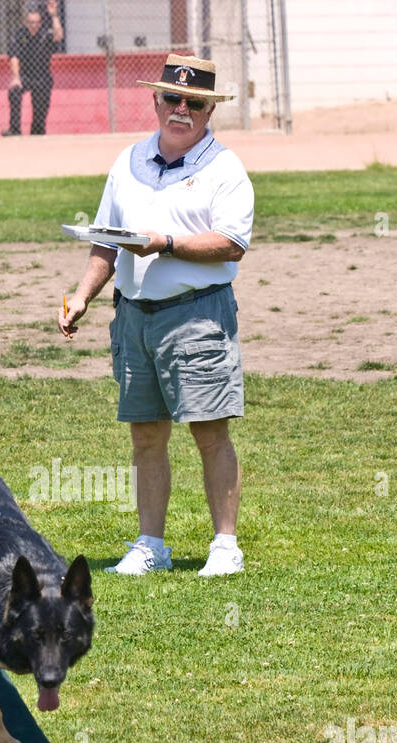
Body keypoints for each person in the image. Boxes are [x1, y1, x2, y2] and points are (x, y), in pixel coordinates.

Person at [58, 54, 252, 578]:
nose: (181, 109)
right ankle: (151, 544)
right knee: (145, 435)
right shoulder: (129, 161)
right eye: (172, 98)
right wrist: (82, 296)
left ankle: (225, 545)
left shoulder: (224, 167)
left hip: (195, 315)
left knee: (210, 432)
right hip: (133, 319)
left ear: (210, 109)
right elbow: (107, 240)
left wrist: (164, 243)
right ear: (156, 100)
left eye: (194, 102)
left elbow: (231, 244)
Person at [3, 1, 62, 137]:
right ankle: (15, 130)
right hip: (26, 74)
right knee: (14, 91)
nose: (33, 25)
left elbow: (58, 36)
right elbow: (14, 56)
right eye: (30, 22)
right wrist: (16, 78)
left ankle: (37, 132)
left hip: (42, 75)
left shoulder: (46, 33)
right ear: (26, 22)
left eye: (36, 22)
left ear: (40, 23)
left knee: (40, 110)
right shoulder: (20, 34)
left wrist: (54, 16)